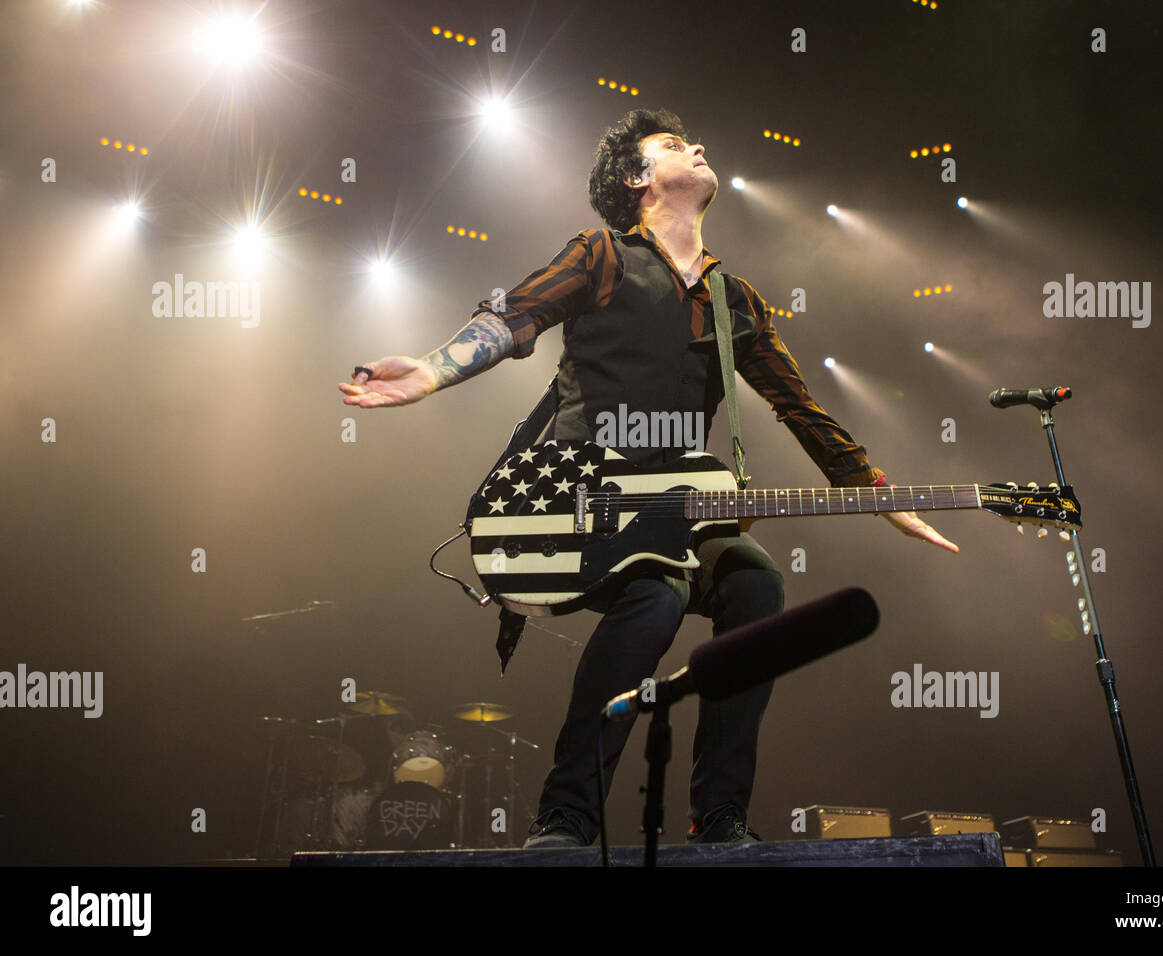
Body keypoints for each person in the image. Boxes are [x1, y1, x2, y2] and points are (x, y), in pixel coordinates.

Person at [340, 108, 958, 848]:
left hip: (679, 510)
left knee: (757, 584)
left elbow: (800, 406)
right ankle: (567, 814)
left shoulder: (736, 303)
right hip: (581, 504)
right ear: (638, 180)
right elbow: (515, 316)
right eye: (672, 145)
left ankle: (719, 814)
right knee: (656, 594)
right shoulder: (600, 254)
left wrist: (874, 493)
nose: (698, 145)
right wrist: (432, 370)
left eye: (694, 139)